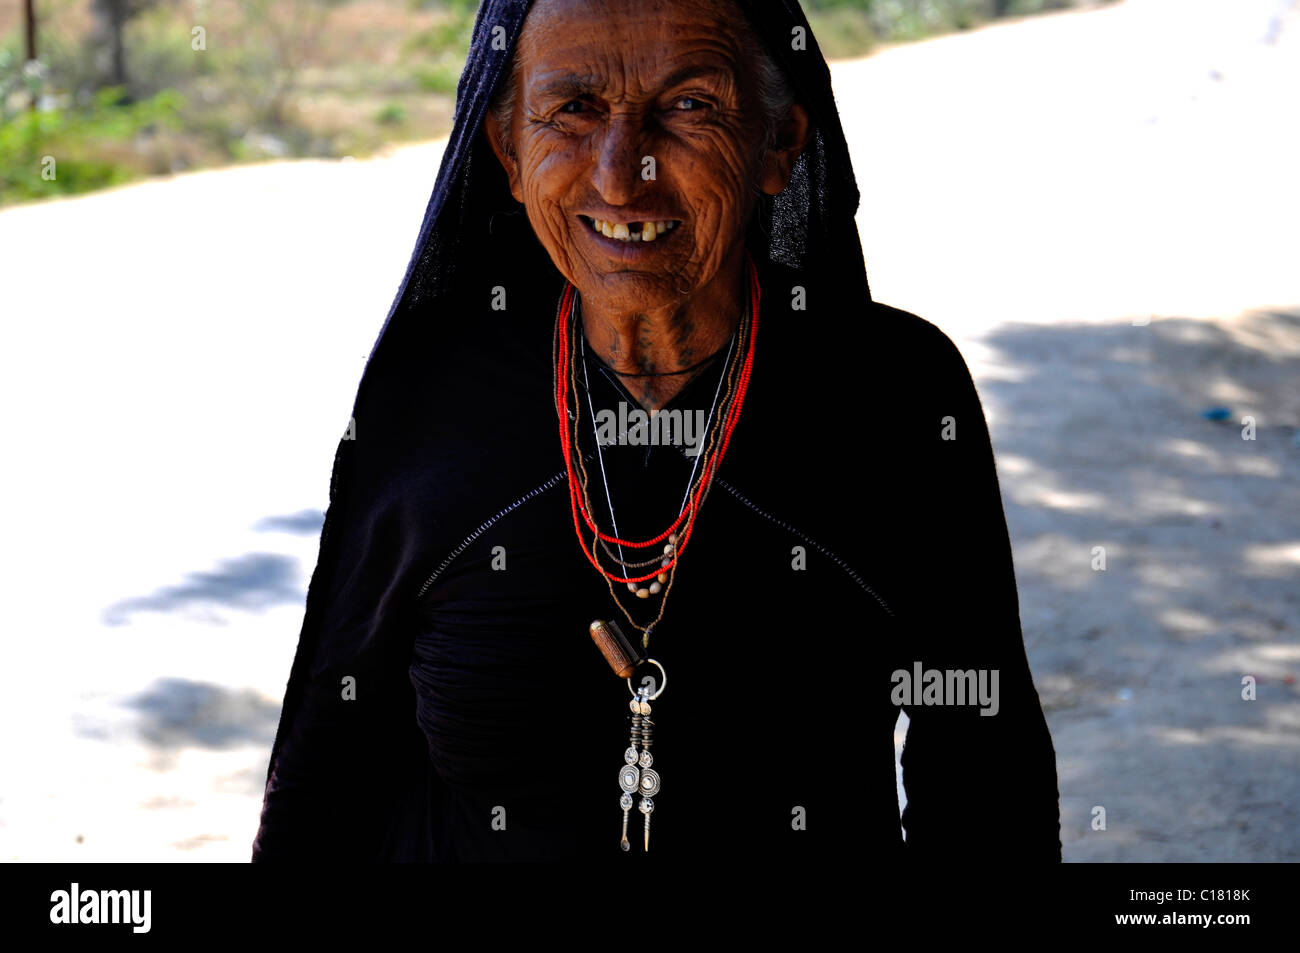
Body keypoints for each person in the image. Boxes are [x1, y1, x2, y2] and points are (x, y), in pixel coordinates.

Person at [251, 0, 1062, 863]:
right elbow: (327, 769)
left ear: (780, 143)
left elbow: (982, 764)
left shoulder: (894, 396)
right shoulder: (429, 397)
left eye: (688, 107)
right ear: (508, 152)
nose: (619, 175)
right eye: (573, 109)